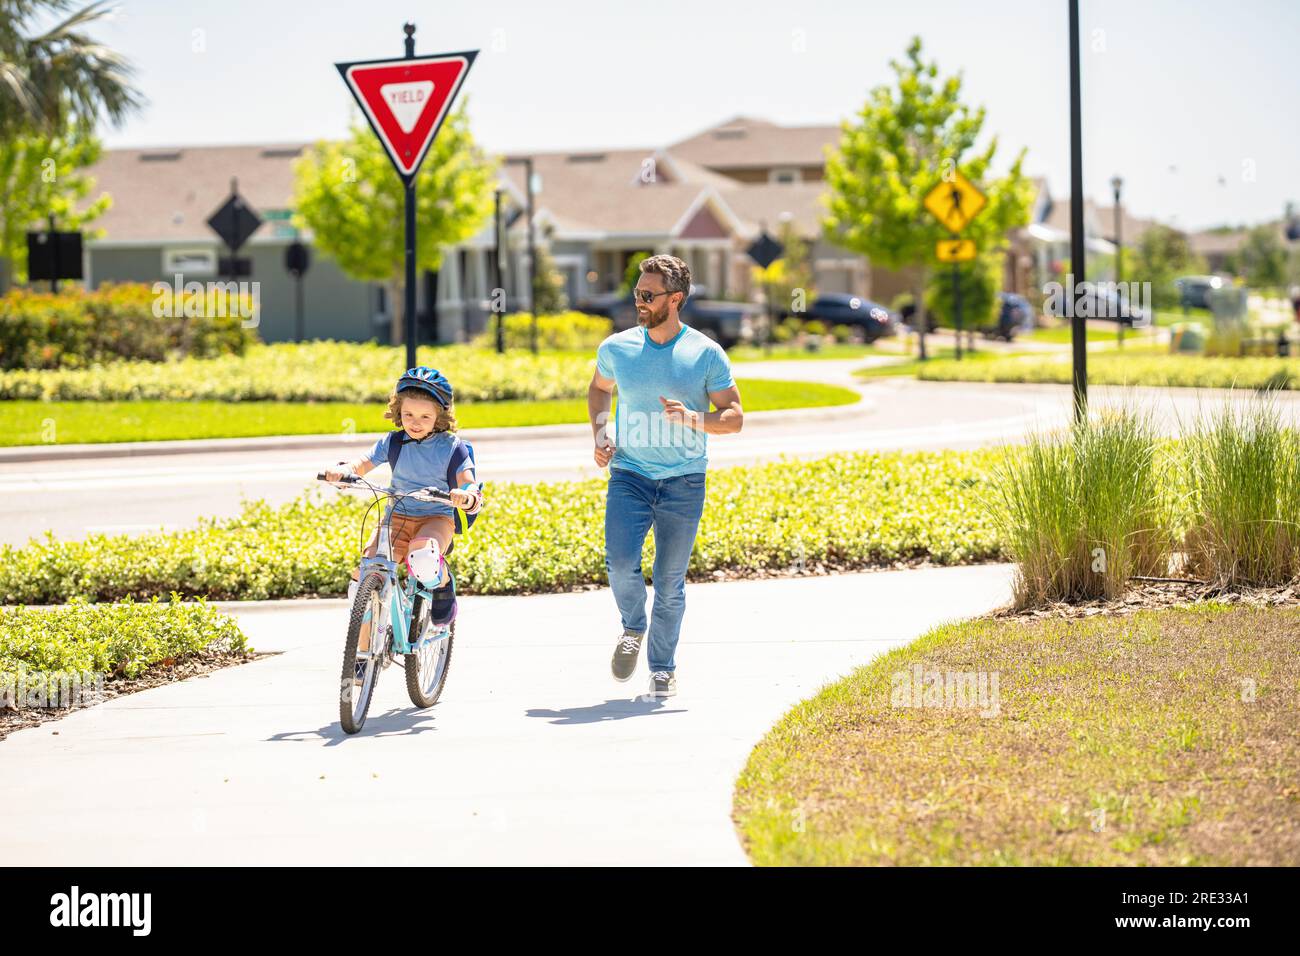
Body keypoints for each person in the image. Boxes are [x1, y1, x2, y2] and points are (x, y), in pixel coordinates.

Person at [587, 254, 744, 698]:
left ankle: (662, 667)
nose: (639, 300)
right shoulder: (617, 348)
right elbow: (600, 389)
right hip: (630, 473)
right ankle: (633, 625)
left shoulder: (705, 353)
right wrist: (602, 434)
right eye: (637, 292)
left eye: (648, 294)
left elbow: (733, 418)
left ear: (674, 299)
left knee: (670, 581)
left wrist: (694, 418)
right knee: (619, 563)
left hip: (684, 480)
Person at [325, 367, 483, 637]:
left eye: (425, 416)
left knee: (423, 556)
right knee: (364, 576)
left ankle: (443, 584)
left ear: (440, 416)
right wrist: (344, 472)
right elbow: (362, 463)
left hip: (435, 518)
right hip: (396, 515)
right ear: (398, 411)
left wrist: (465, 495)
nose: (415, 422)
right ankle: (363, 657)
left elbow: (466, 480)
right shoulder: (393, 442)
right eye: (408, 414)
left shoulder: (452, 446)